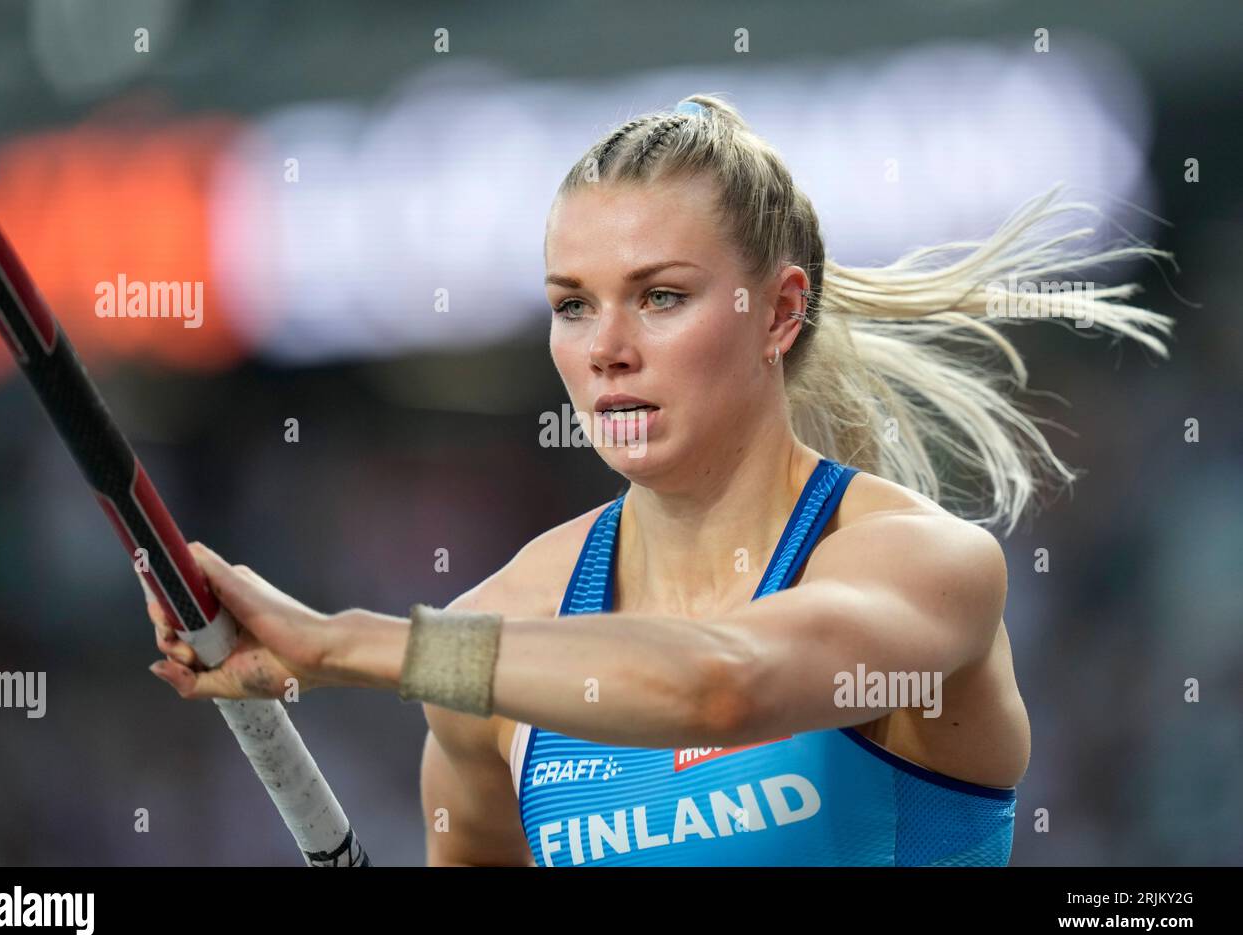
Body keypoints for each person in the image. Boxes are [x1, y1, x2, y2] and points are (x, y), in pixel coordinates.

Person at [147, 94, 1176, 865]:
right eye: (573, 304)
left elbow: (719, 685)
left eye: (662, 296)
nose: (607, 349)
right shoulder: (498, 637)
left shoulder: (926, 568)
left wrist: (347, 643)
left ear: (777, 313)